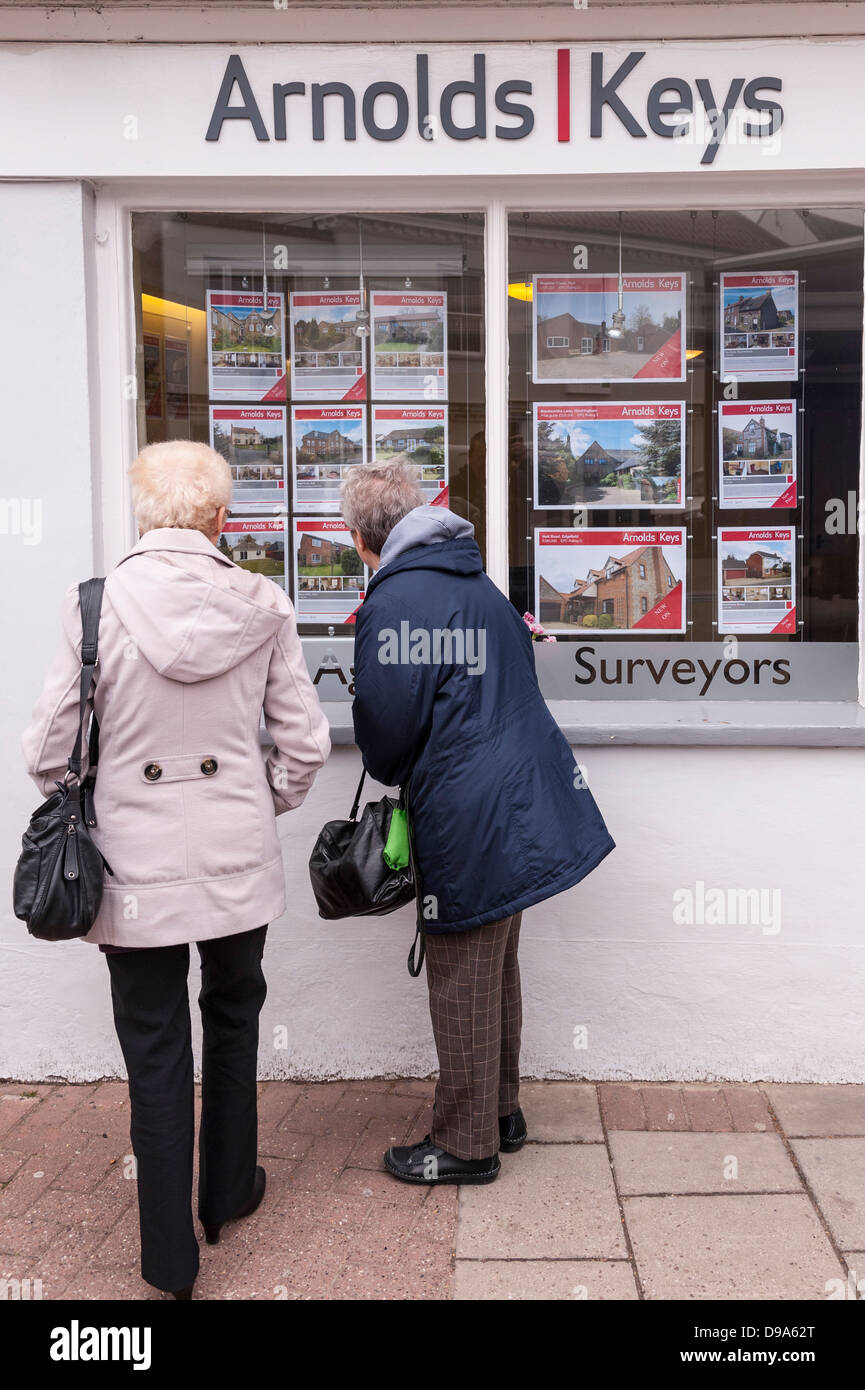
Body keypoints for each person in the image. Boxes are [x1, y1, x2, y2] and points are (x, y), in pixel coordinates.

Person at [22, 440, 330, 1298]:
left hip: (133, 864)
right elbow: (304, 743)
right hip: (234, 855)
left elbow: (48, 749)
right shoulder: (263, 602)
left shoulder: (95, 605)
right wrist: (255, 802)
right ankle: (230, 1191)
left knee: (155, 1049)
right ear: (221, 518)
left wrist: (101, 805)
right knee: (234, 1018)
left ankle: (170, 1260)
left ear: (145, 516)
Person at [342, 463, 614, 1186]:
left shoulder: (397, 599)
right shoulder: (473, 582)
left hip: (468, 808)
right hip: (516, 801)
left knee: (461, 970)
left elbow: (388, 732)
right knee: (495, 962)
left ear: (362, 538)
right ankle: (501, 1112)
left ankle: (464, 1145)